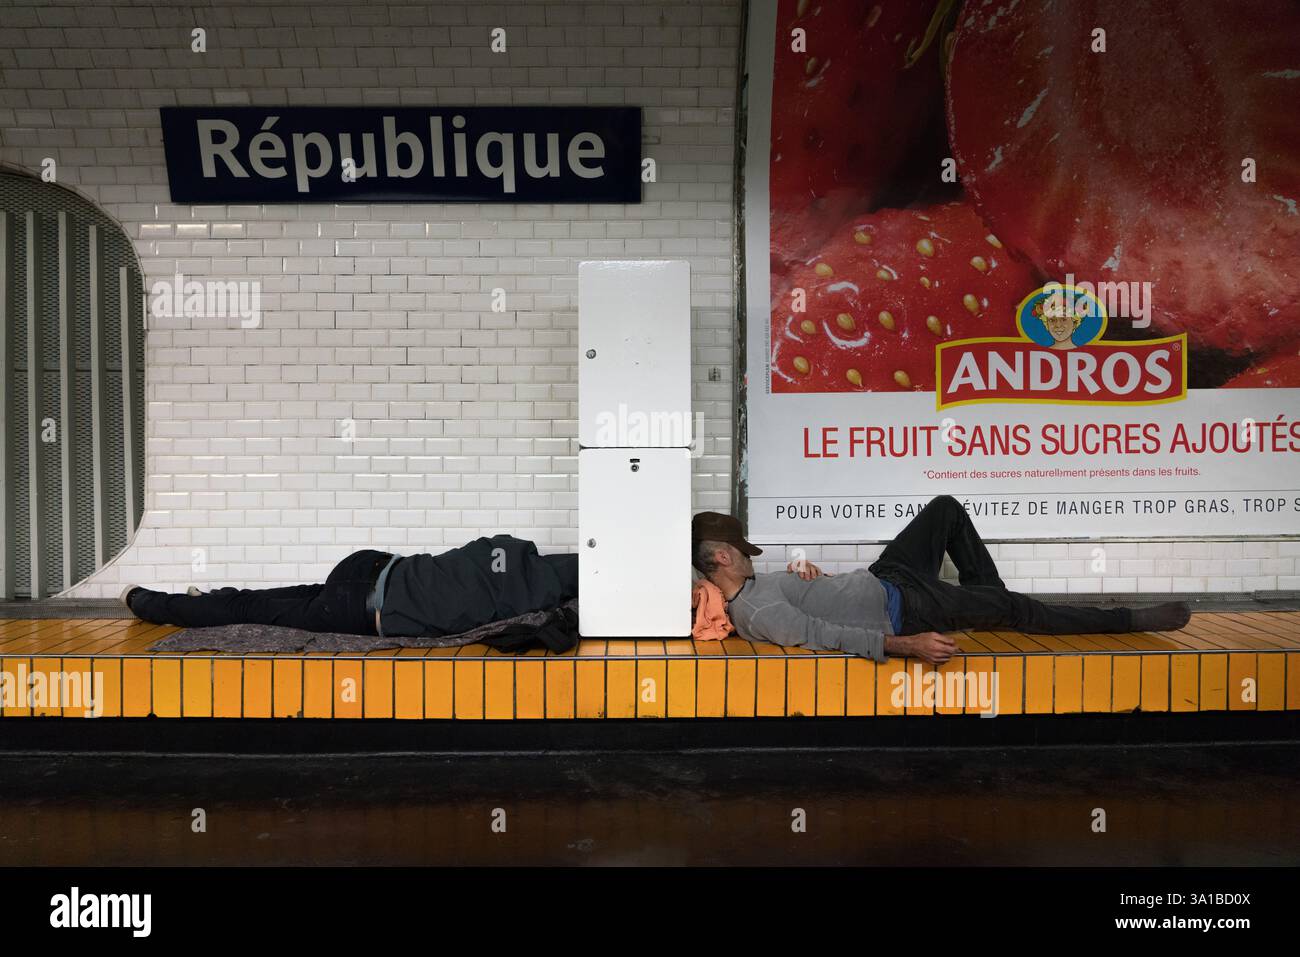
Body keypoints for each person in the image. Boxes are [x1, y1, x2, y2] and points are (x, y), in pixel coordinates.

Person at [691, 496, 1190, 665]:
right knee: (1019, 611)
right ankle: (1128, 619)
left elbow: (816, 604)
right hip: (909, 609)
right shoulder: (755, 610)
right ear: (720, 556)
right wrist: (907, 646)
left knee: (945, 510)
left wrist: (812, 578)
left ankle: (986, 600)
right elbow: (825, 637)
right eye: (742, 552)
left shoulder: (757, 591)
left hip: (887, 577)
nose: (750, 558)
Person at [121, 535, 578, 639]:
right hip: (360, 607)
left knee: (263, 601)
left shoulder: (512, 551)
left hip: (372, 565)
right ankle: (149, 603)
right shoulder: (531, 602)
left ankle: (210, 599)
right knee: (254, 613)